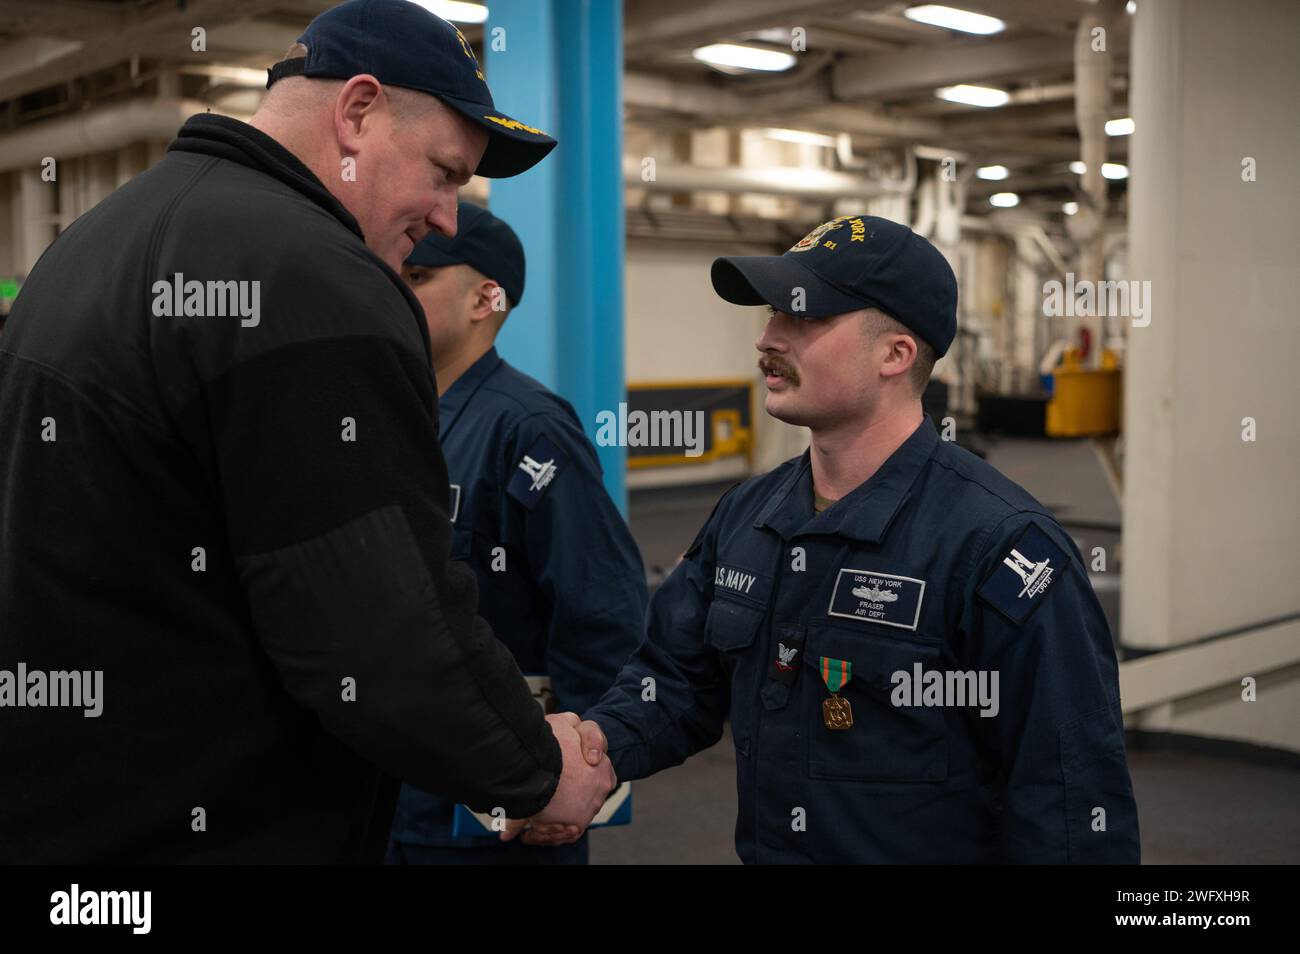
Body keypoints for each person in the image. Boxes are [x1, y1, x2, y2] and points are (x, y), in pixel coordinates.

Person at [0, 0, 612, 863]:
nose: (445, 216)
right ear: (357, 112)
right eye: (443, 172)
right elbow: (381, 629)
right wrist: (536, 767)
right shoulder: (316, 276)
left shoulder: (93, 242)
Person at [516, 213, 1141, 863]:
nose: (767, 338)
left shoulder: (1001, 549)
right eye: (771, 315)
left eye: (804, 318)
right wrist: (598, 751)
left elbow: (1068, 802)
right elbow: (676, 680)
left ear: (895, 354)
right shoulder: (747, 514)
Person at [384, 202, 647, 864]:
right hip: (393, 786)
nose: (393, 288)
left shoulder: (528, 429)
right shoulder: (392, 420)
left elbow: (601, 612)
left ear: (485, 299)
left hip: (497, 807)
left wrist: (583, 787)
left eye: (417, 278)